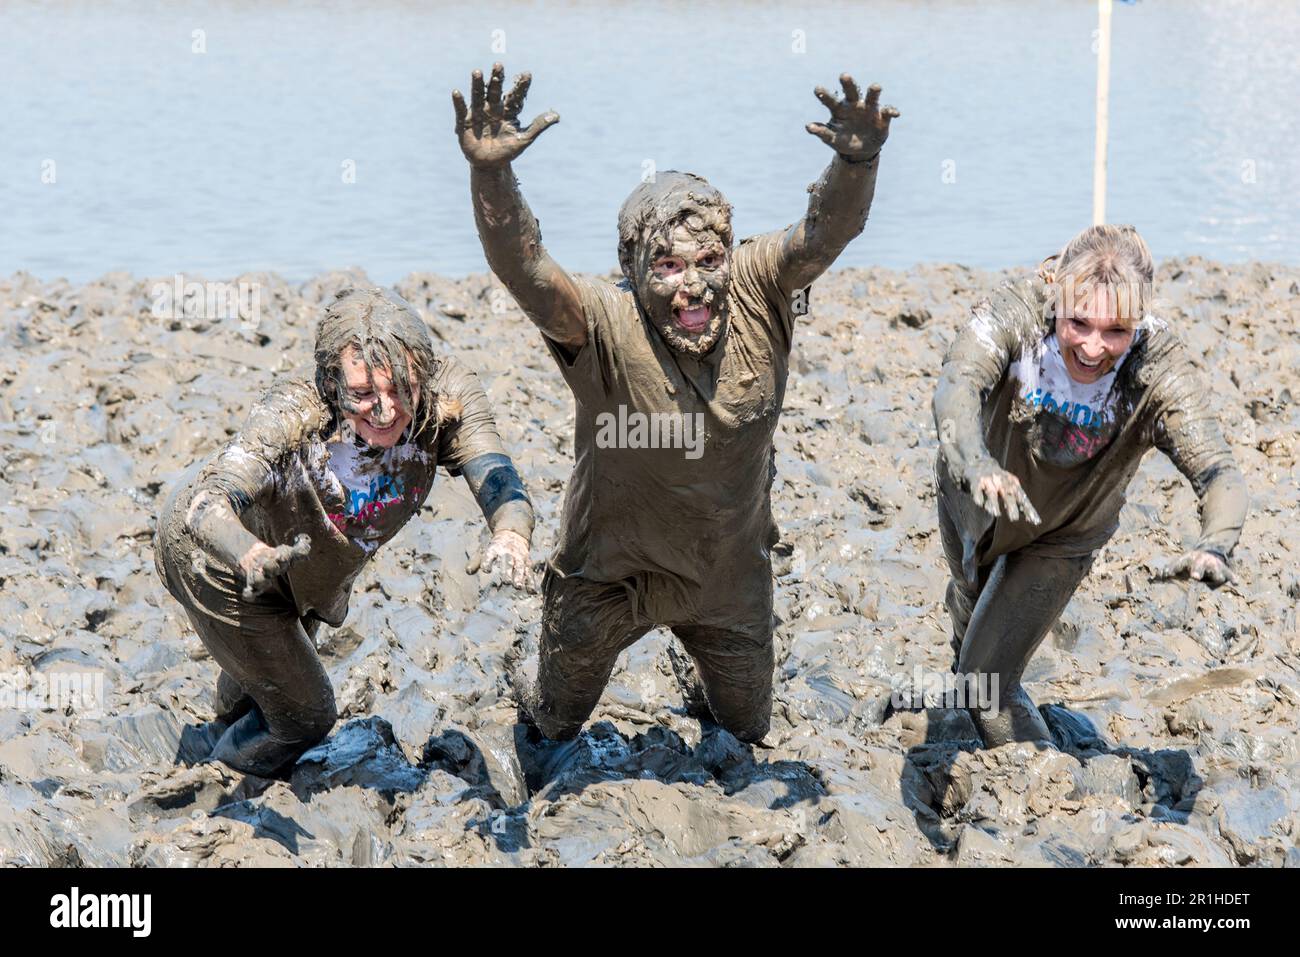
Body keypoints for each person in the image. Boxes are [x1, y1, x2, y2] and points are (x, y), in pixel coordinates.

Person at [451, 62, 899, 742]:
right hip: (606, 577)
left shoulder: (758, 287)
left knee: (746, 731)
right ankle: (532, 681)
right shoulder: (603, 323)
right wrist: (492, 176)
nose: (693, 288)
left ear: (729, 254)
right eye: (666, 268)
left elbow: (824, 232)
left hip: (727, 576)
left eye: (707, 262)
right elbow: (527, 270)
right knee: (553, 725)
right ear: (631, 268)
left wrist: (856, 162)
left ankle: (696, 677)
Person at [153, 287, 535, 775]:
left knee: (266, 682)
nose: (384, 411)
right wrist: (249, 554)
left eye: (401, 390)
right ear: (332, 386)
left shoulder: (448, 400)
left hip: (300, 568)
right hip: (215, 557)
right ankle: (218, 782)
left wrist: (510, 535)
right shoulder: (297, 411)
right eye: (362, 395)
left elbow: (499, 477)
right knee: (305, 716)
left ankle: (208, 739)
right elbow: (209, 504)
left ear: (425, 374)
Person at [932, 224, 1249, 748]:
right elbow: (956, 385)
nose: (1093, 347)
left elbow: (1219, 471)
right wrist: (975, 463)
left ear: (1139, 321)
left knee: (984, 683)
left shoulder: (1156, 368)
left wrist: (1216, 543)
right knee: (968, 612)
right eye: (1078, 322)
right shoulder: (1017, 313)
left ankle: (1043, 786)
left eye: (1116, 331)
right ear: (1057, 295)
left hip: (1064, 532)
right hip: (972, 495)